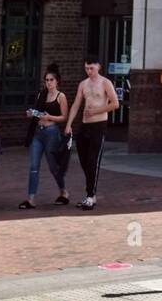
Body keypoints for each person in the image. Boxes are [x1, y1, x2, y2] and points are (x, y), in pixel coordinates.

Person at [64, 55, 119, 211]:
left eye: (92, 68)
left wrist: (96, 111)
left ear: (98, 67)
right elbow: (76, 104)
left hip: (99, 125)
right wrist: (68, 124)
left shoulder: (105, 83)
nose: (89, 71)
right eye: (87, 68)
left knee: (93, 161)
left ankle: (90, 195)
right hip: (85, 126)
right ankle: (90, 193)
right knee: (84, 160)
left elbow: (115, 104)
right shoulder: (83, 84)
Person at [19, 64, 69, 209]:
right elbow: (36, 111)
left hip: (51, 132)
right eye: (46, 80)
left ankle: (63, 191)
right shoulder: (42, 94)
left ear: (57, 81)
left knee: (54, 167)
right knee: (34, 166)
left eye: (51, 80)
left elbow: (64, 117)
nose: (48, 83)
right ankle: (31, 199)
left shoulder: (61, 97)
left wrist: (50, 117)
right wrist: (32, 113)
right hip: (38, 133)